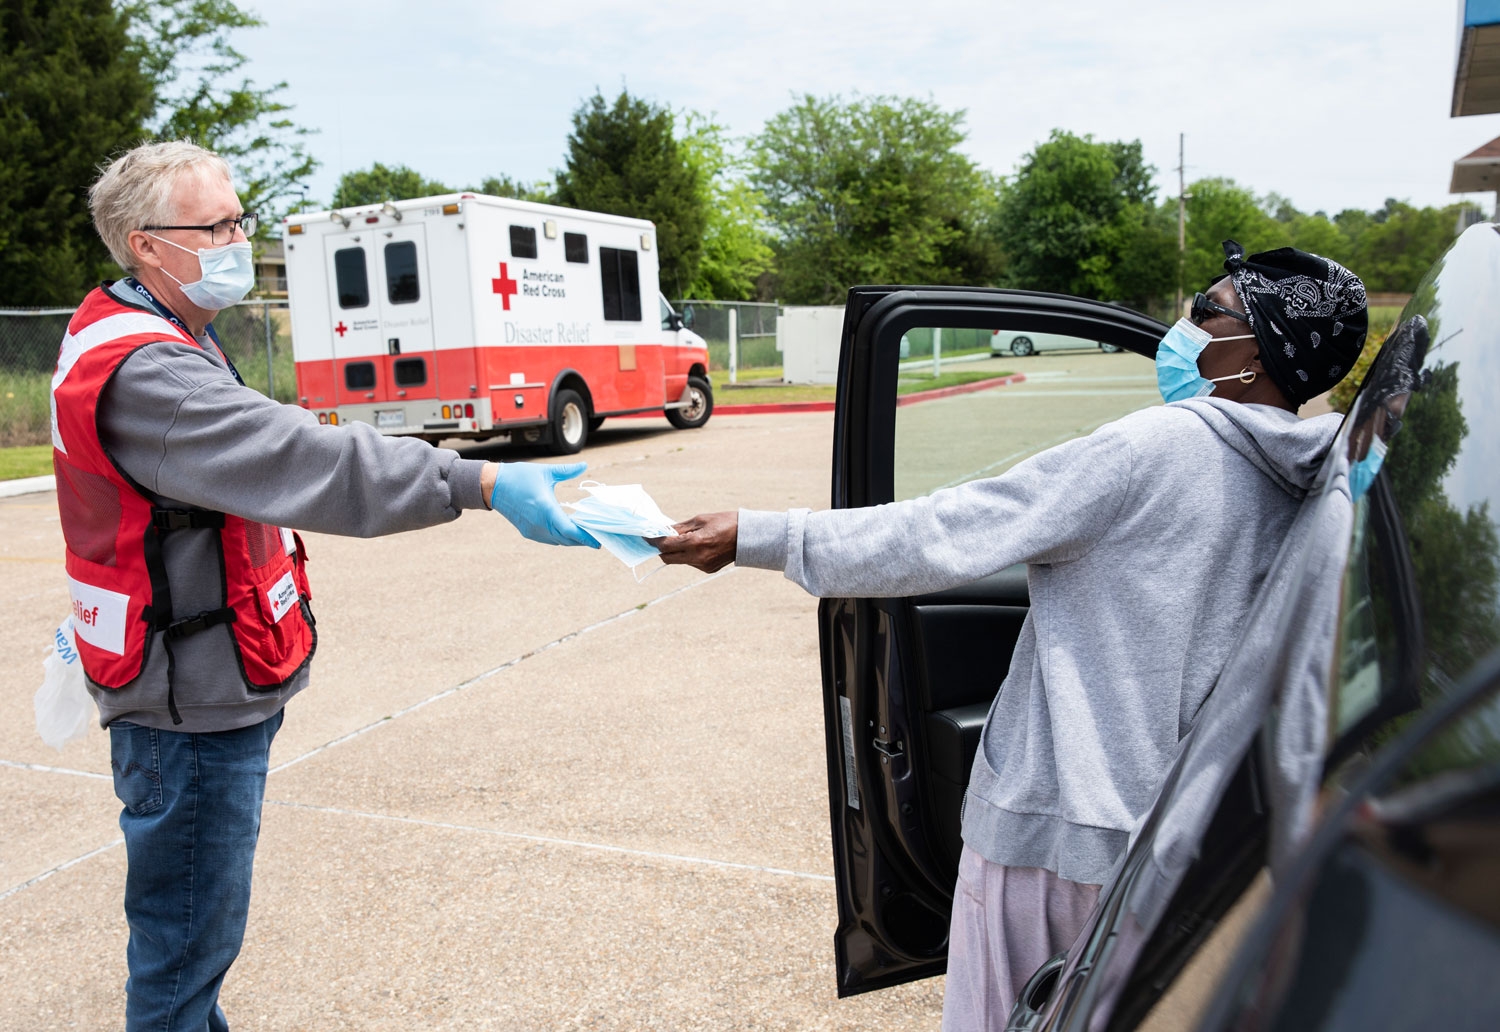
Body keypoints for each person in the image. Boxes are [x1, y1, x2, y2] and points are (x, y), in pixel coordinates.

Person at [654, 241, 1369, 1030]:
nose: (1185, 325)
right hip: (1176, 847)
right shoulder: (1323, 475)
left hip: (1052, 845)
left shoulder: (1154, 447)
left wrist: (758, 536)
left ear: (1254, 355)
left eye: (1207, 311)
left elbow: (947, 530)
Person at [54, 140, 597, 1032]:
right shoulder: (151, 370)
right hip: (187, 709)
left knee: (189, 949)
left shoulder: (148, 326)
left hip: (196, 680)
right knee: (182, 962)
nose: (238, 236)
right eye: (218, 224)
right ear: (148, 244)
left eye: (240, 218)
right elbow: (306, 458)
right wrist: (479, 481)